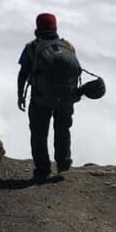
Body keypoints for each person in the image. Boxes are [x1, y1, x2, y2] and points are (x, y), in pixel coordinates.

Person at [17, 13, 80, 179]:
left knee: (39, 133)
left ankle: (43, 169)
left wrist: (20, 95)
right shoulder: (69, 46)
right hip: (66, 99)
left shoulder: (31, 47)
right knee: (63, 130)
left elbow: (23, 73)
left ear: (37, 28)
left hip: (40, 98)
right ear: (55, 28)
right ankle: (64, 166)